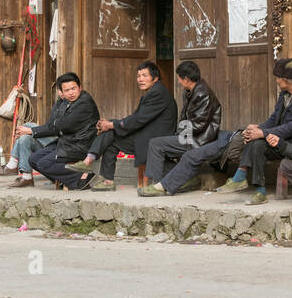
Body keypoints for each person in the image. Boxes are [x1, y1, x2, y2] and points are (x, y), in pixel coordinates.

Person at [65, 60, 177, 190]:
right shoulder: (153, 92)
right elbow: (136, 118)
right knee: (110, 137)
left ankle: (90, 162)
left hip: (154, 139)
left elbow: (137, 120)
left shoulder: (157, 93)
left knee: (110, 132)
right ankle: (104, 177)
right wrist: (111, 124)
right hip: (146, 135)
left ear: (155, 78)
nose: (140, 79)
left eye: (145, 76)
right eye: (138, 76)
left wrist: (111, 125)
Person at [214, 57, 292, 204]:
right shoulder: (284, 95)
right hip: (279, 139)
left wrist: (263, 133)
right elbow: (274, 119)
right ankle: (259, 190)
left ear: (286, 79)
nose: (276, 81)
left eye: (278, 78)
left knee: (257, 140)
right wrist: (258, 128)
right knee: (255, 142)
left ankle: (242, 177)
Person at [138, 61, 222, 197]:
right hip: (188, 136)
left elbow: (199, 125)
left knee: (156, 144)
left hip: (199, 140)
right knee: (157, 144)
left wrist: (180, 132)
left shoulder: (203, 94)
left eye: (179, 78)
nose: (178, 81)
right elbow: (183, 116)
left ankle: (158, 185)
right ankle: (177, 179)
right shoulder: (189, 92)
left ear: (186, 79)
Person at [14, 73, 99, 190]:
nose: (71, 93)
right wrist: (60, 103)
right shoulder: (65, 102)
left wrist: (31, 130)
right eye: (67, 90)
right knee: (33, 160)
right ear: (62, 93)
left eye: (73, 88)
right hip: (66, 142)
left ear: (80, 87)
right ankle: (65, 180)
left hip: (80, 145)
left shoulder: (84, 103)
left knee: (43, 163)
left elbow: (60, 126)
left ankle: (82, 177)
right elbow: (53, 122)